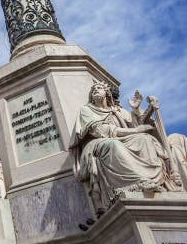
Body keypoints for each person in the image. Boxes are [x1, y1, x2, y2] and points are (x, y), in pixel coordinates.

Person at [69, 82, 173, 215]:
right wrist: (135, 130)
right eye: (93, 89)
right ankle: (137, 182)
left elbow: (139, 125)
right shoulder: (87, 110)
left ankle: (152, 180)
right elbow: (100, 131)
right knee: (113, 145)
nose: (95, 90)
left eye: (99, 88)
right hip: (99, 142)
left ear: (107, 93)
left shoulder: (119, 111)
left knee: (145, 139)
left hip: (123, 138)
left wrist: (135, 110)